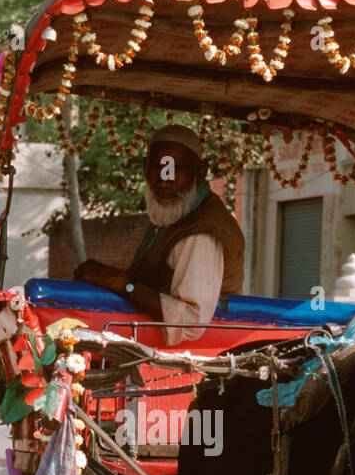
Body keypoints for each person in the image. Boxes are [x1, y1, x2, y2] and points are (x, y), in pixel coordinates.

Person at [73, 125, 245, 344]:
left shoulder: (201, 232)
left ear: (200, 171)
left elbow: (191, 322)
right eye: (158, 168)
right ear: (145, 169)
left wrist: (122, 284)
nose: (164, 180)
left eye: (176, 169)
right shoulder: (176, 215)